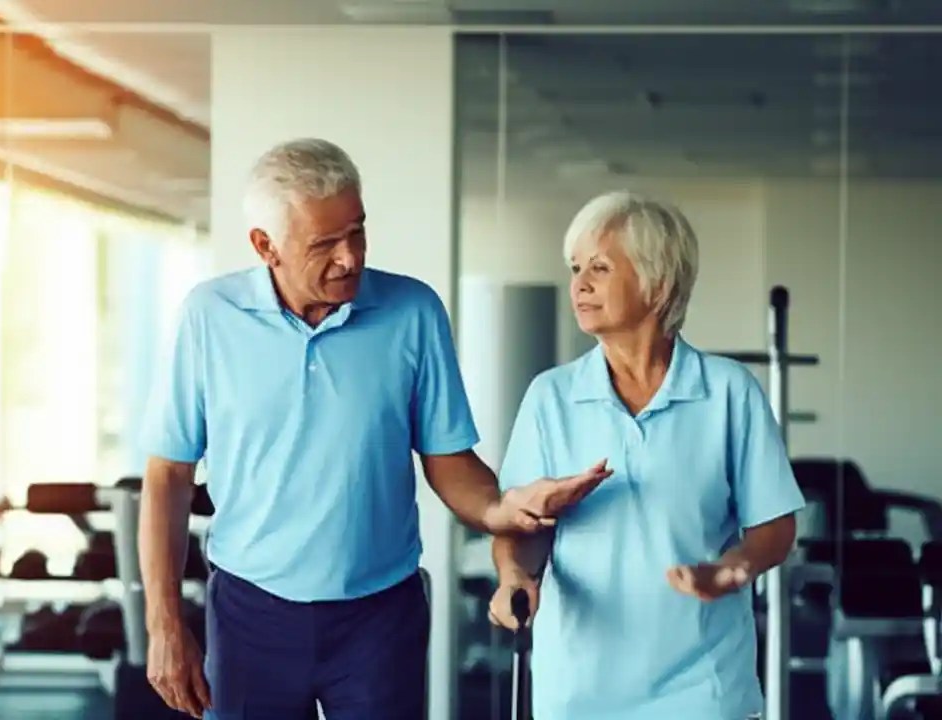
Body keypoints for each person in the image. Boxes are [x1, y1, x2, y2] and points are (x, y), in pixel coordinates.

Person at [137, 138, 611, 720]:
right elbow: (168, 475)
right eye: (324, 244)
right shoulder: (209, 316)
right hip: (251, 614)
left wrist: (501, 510)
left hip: (379, 618)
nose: (350, 258)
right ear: (265, 246)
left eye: (357, 231)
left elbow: (447, 458)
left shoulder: (413, 311)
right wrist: (163, 623)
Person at [488, 191, 806, 720]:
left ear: (658, 284)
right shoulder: (551, 397)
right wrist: (514, 578)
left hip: (704, 690)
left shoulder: (729, 392)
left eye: (600, 267)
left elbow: (774, 525)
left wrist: (732, 568)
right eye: (575, 268)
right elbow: (520, 529)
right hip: (579, 692)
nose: (579, 284)